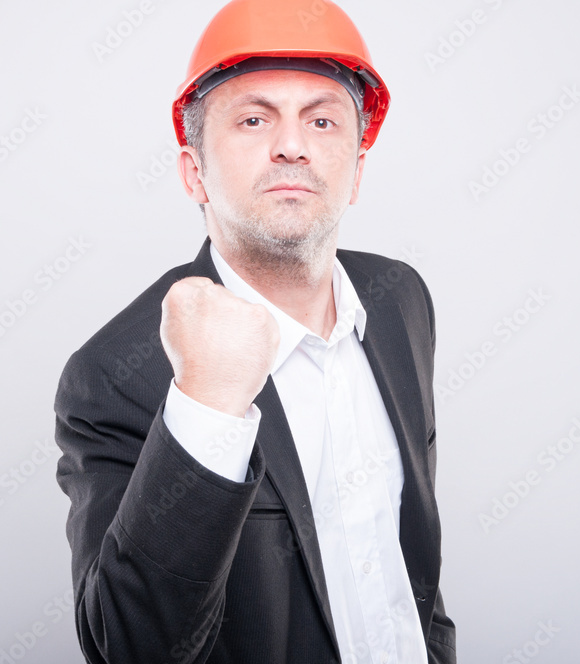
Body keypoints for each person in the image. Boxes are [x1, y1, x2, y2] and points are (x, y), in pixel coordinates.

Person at [53, 1, 457, 662]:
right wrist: (207, 403)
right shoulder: (116, 375)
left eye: (322, 119)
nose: (292, 145)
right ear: (194, 173)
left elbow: (406, 567)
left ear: (356, 169)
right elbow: (129, 648)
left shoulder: (400, 303)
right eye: (252, 118)